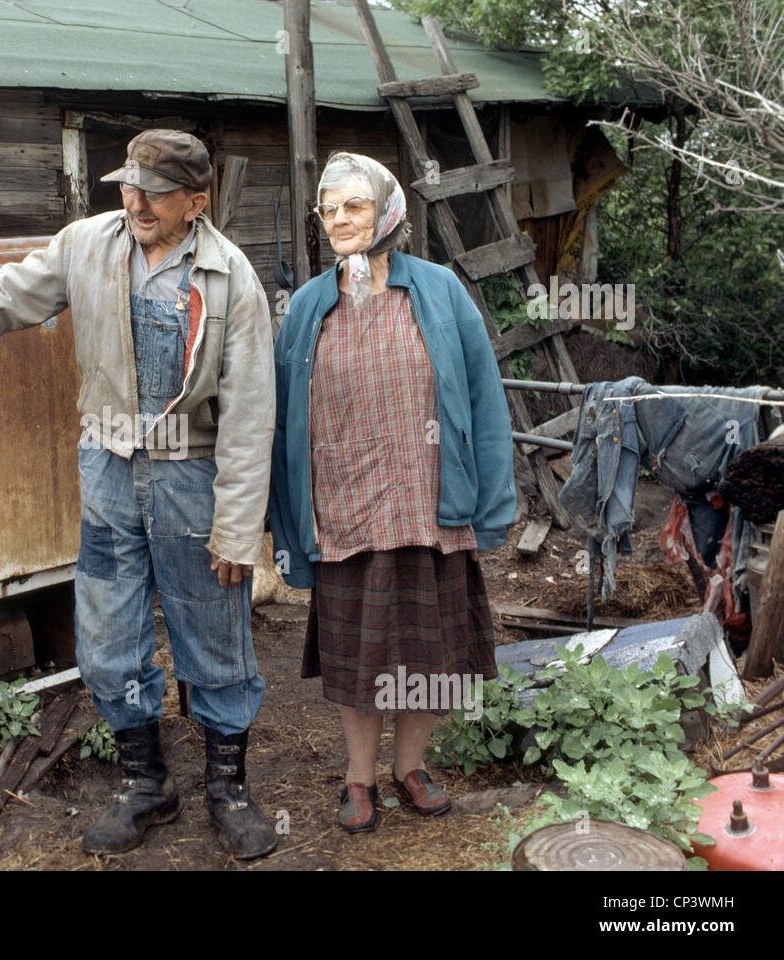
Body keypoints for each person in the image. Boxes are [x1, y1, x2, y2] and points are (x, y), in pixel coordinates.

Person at [0, 130, 279, 860]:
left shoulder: (232, 280)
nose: (134, 201)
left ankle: (228, 790)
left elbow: (252, 415)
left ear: (197, 202)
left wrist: (237, 528)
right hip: (107, 470)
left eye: (155, 192)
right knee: (105, 641)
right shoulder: (85, 246)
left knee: (214, 636)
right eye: (128, 186)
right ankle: (146, 785)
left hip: (192, 478)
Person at [268, 152, 515, 833]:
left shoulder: (439, 291)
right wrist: (286, 520)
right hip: (344, 511)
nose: (340, 219)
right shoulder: (308, 309)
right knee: (358, 656)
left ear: (388, 213)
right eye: (330, 208)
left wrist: (493, 501)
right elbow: (284, 420)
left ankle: (411, 766)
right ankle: (358, 777)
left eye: (356, 205)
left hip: (430, 506)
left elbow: (485, 400)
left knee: (431, 651)